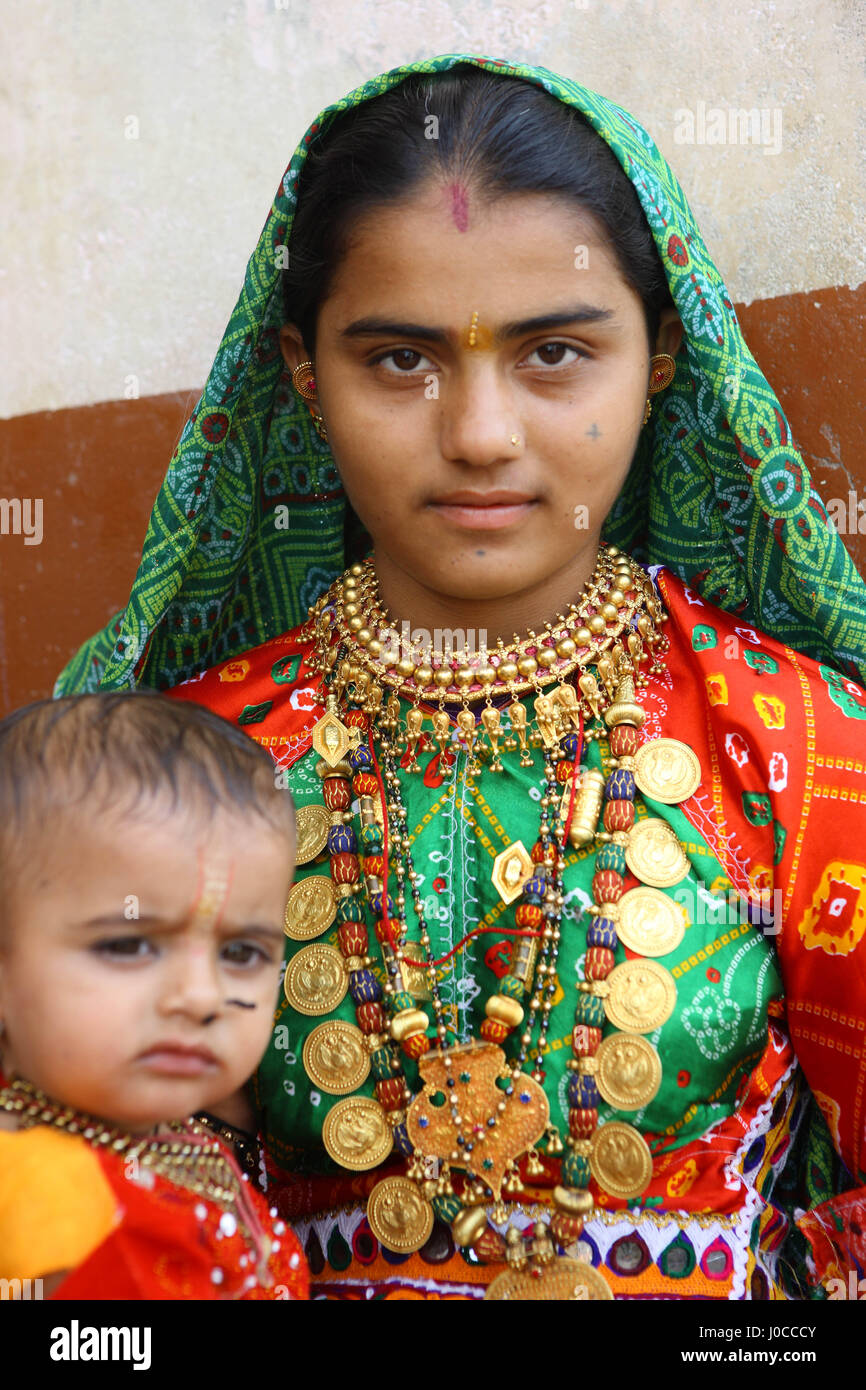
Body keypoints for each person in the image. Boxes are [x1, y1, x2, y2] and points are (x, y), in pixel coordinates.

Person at [54, 54, 866, 1301]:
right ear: (300, 373)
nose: (480, 432)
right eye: (398, 361)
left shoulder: (803, 753)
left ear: (656, 360)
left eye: (553, 353)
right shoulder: (175, 775)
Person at [0, 691, 308, 1300]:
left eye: (241, 953)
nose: (200, 997)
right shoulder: (40, 1194)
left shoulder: (164, 1145)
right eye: (128, 946)